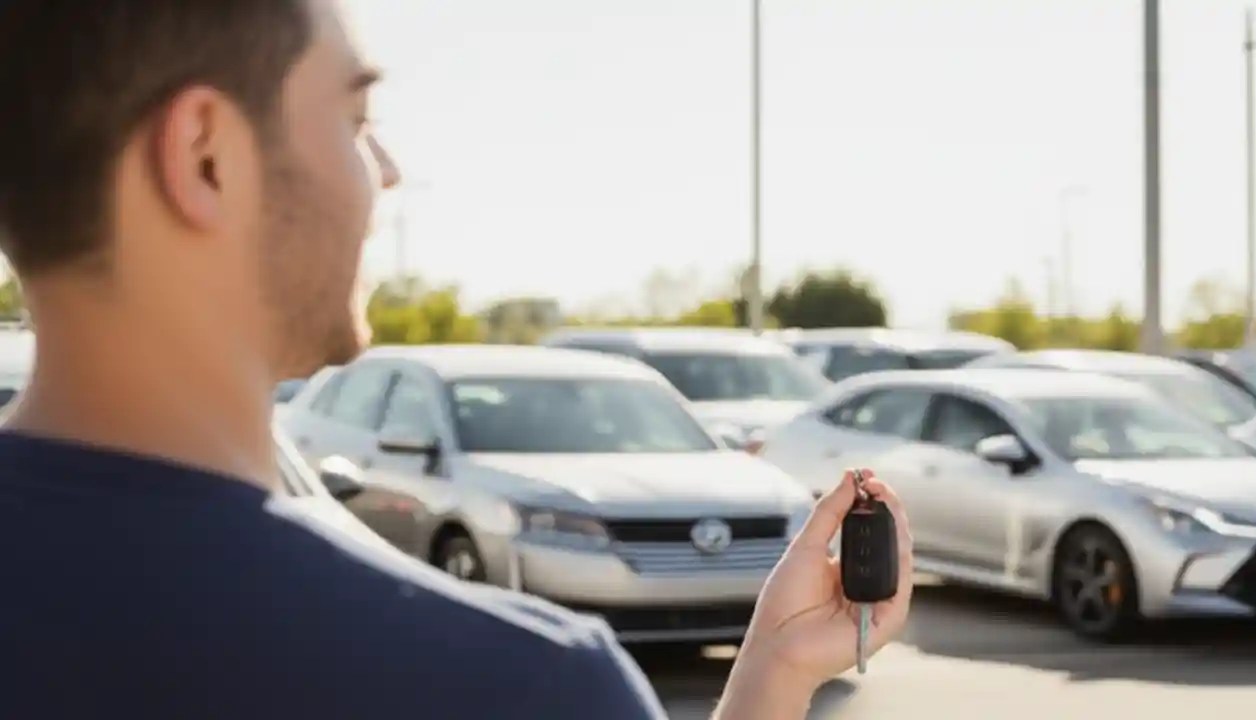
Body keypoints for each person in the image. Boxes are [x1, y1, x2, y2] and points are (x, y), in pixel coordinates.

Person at [0, 1, 912, 718]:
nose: (387, 169)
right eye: (357, 116)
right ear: (206, 158)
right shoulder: (519, 688)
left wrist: (775, 668)